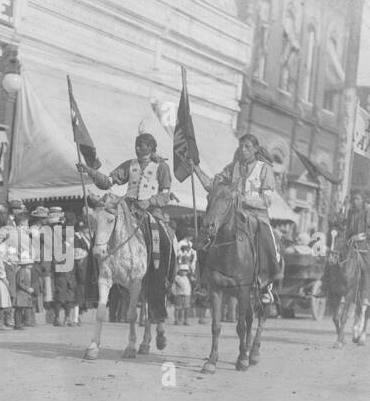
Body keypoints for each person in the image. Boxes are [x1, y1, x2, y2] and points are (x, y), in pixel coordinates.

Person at [78, 130, 180, 327]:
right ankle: (94, 279)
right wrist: (89, 171)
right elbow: (108, 182)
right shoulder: (129, 165)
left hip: (150, 211)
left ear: (151, 148)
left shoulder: (162, 167)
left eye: (142, 145)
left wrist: (149, 202)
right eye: (137, 144)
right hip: (127, 208)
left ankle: (164, 277)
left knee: (164, 238)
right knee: (101, 234)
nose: (138, 148)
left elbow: (166, 194)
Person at [195, 132, 282, 305]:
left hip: (256, 215)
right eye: (241, 146)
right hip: (233, 214)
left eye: (247, 147)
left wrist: (243, 199)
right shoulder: (231, 168)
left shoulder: (264, 169)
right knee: (207, 235)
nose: (243, 150)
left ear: (255, 149)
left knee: (267, 239)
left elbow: (267, 200)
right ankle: (203, 281)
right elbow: (213, 186)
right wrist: (196, 169)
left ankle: (265, 285)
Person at [173, 237, 196, 325]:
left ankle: (186, 320)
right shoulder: (178, 256)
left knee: (186, 305)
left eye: (188, 248)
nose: (186, 250)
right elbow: (176, 266)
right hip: (178, 277)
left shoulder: (190, 256)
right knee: (178, 305)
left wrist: (192, 274)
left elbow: (191, 267)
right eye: (185, 248)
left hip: (186, 278)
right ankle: (177, 320)